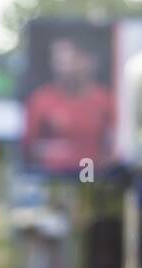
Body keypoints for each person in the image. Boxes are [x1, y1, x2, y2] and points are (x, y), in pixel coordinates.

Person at [22, 36, 115, 174]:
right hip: (53, 179)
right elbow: (28, 145)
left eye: (70, 61)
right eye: (58, 62)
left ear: (87, 61)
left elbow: (117, 144)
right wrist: (51, 152)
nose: (64, 69)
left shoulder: (106, 100)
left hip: (94, 177)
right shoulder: (40, 100)